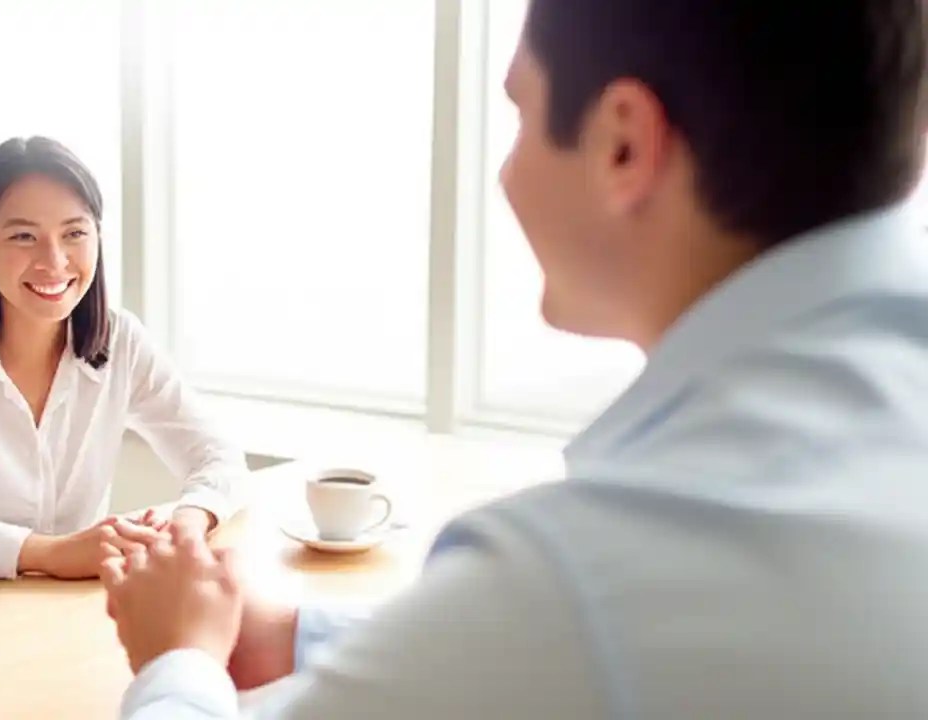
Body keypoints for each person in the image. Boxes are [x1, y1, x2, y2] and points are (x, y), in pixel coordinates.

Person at [98, 0, 928, 716]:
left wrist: (179, 657)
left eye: (520, 117)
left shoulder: (583, 573)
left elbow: (574, 630)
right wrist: (299, 636)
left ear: (624, 144)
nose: (503, 174)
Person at [0, 136, 248, 581]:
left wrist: (187, 520)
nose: (54, 261)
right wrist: (50, 553)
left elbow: (218, 456)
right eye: (23, 236)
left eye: (74, 233)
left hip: (81, 604)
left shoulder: (121, 341)